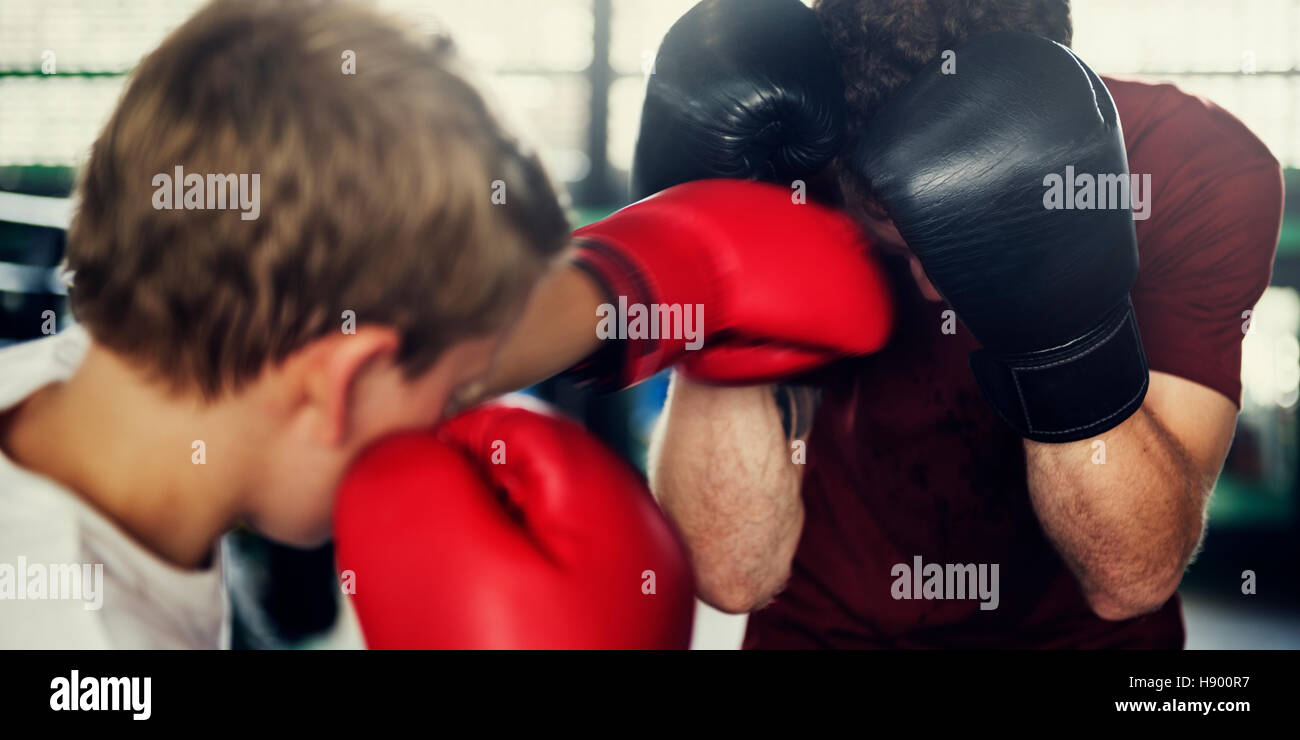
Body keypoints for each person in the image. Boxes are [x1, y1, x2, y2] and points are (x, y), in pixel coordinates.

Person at [642, 0, 1283, 648]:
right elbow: (729, 572)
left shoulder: (1192, 169)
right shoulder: (795, 154)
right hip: (825, 628)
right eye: (896, 229)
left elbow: (1130, 578)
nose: (928, 282)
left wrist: (1050, 311)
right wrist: (723, 233)